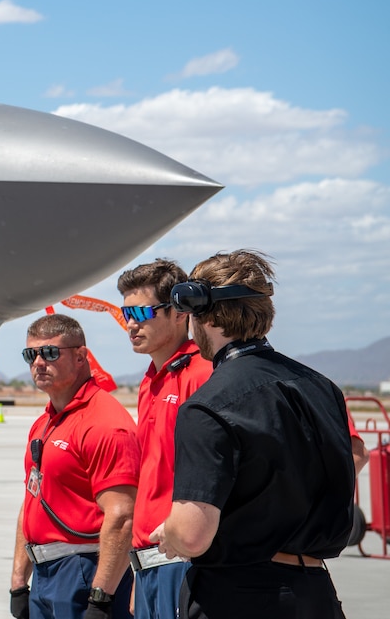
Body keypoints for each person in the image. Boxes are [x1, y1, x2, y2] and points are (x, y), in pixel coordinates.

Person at [151, 250, 355, 619]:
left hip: (240, 595)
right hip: (317, 593)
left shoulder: (207, 406)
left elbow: (192, 534)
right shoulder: (322, 388)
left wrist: (171, 532)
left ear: (203, 314)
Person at [10, 314, 139, 619]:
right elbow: (33, 500)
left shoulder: (104, 423)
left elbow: (122, 516)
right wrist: (18, 582)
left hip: (84, 571)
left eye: (50, 353)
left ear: (81, 356)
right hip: (44, 576)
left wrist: (100, 597)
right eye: (31, 354)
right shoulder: (44, 423)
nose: (39, 362)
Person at [117, 260, 212, 619]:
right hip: (148, 564)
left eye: (141, 311)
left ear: (177, 313)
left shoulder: (202, 373)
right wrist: (137, 571)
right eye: (125, 312)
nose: (130, 323)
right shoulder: (150, 380)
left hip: (183, 560)